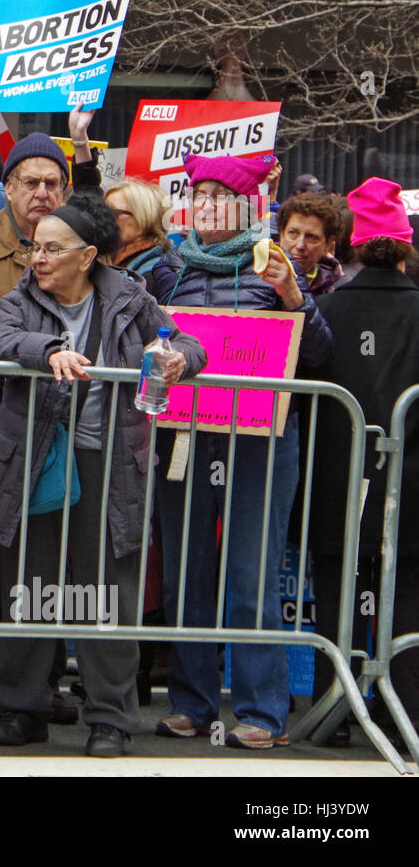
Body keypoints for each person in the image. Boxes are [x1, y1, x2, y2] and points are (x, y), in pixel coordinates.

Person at [0, 191, 205, 757]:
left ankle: (110, 717)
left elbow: (187, 343)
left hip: (109, 459)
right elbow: (1, 338)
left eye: (52, 249)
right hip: (35, 455)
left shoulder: (132, 297)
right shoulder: (21, 298)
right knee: (29, 585)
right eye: (36, 246)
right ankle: (23, 708)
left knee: (108, 590)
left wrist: (180, 358)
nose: (39, 258)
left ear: (87, 257)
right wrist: (49, 350)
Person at [146, 152, 332, 749]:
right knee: (186, 570)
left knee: (252, 571)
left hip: (262, 441)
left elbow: (320, 354)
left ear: (247, 205)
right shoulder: (168, 269)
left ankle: (261, 710)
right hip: (186, 437)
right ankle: (192, 703)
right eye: (198, 195)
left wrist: (292, 298)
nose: (206, 207)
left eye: (218, 197)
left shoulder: (274, 266)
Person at [304, 177, 419, 743]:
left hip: (335, 483)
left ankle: (334, 710)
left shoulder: (322, 313)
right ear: (405, 245)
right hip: (410, 489)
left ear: (349, 244)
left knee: (339, 593)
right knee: (408, 598)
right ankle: (410, 716)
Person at [0, 106, 101, 298]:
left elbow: (92, 207)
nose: (42, 194)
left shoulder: (80, 246)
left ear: (62, 190)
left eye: (51, 184)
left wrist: (80, 139)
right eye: (31, 183)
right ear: (9, 189)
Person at [276, 192, 344, 297]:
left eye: (311, 237)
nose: (300, 245)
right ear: (281, 234)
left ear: (328, 244)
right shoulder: (255, 275)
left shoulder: (337, 288)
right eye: (293, 233)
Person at [104, 178, 172, 275]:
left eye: (113, 213)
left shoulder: (154, 272)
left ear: (145, 218)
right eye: (103, 211)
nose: (103, 218)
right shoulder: (106, 259)